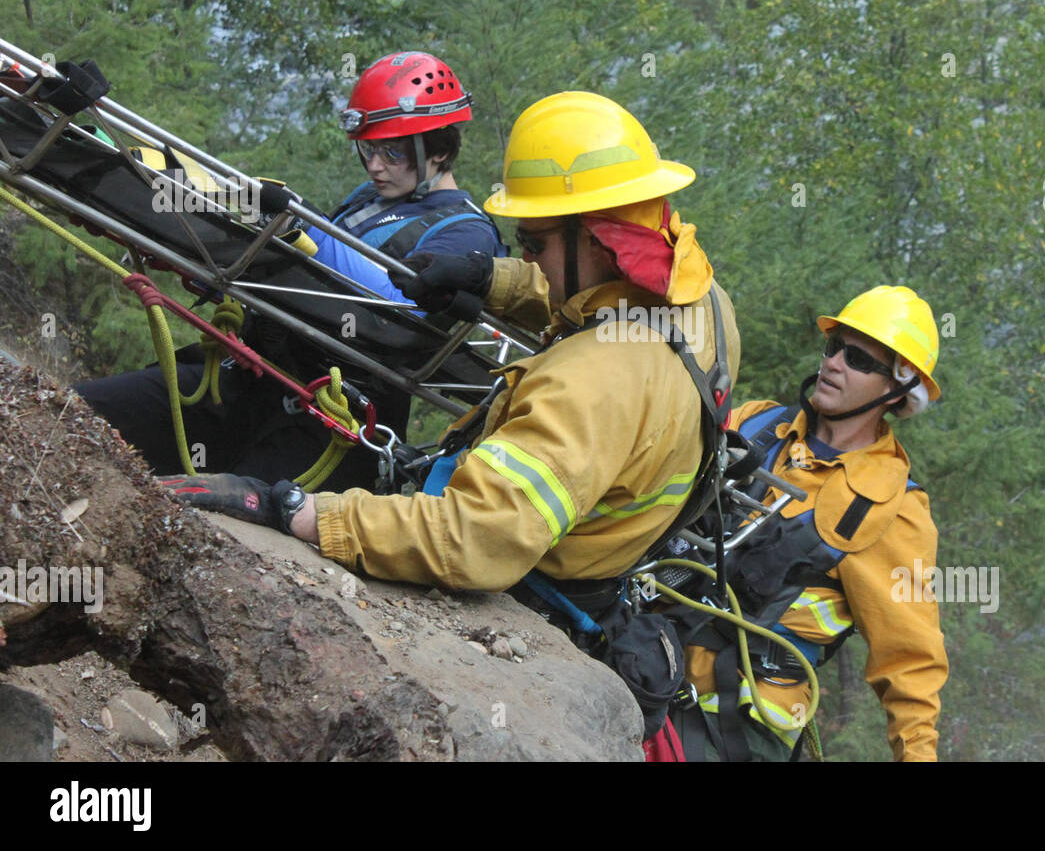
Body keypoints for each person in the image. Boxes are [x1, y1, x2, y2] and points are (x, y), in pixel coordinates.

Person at [161, 91, 742, 743]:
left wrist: (303, 512)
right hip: (600, 554)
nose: (529, 258)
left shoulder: (592, 383)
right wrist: (491, 279)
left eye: (534, 241)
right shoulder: (700, 300)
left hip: (530, 588)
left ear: (600, 238)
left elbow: (473, 539)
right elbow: (588, 291)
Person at [75, 51, 504, 492]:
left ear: (440, 150)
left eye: (392, 151)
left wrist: (307, 229)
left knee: (225, 519)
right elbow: (299, 275)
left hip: (334, 415)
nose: (375, 165)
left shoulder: (464, 233)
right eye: (368, 149)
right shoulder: (369, 201)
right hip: (256, 376)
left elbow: (401, 310)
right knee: (75, 413)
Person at [669, 286, 948, 762]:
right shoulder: (756, 424)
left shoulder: (892, 508)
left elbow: (909, 659)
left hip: (739, 724)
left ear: (898, 388)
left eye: (857, 359)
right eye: (833, 347)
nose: (833, 363)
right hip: (655, 655)